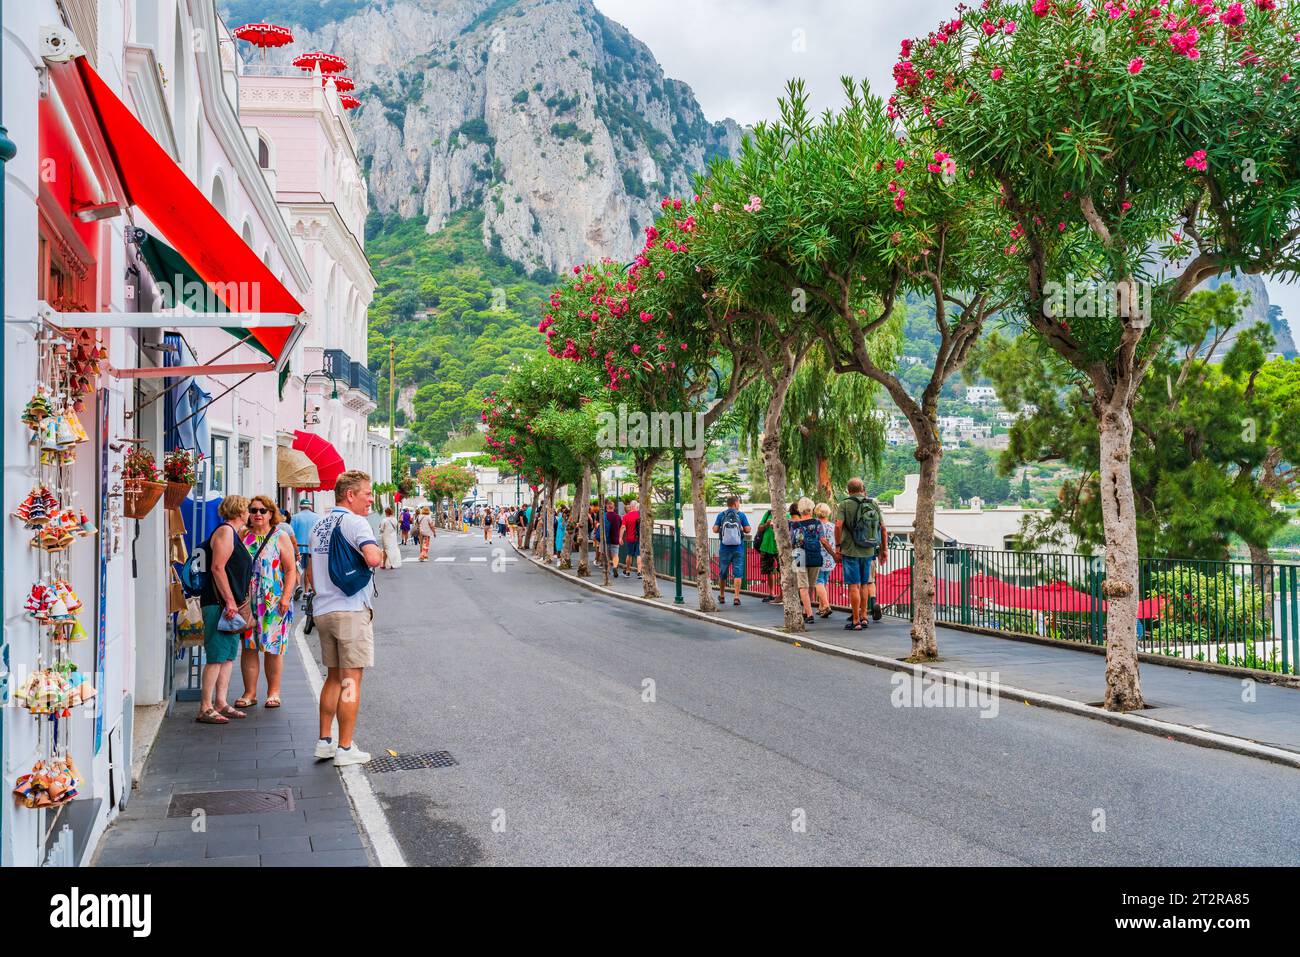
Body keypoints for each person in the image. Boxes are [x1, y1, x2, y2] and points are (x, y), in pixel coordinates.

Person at [305, 470, 382, 767]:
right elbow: (373, 559)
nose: (370, 499)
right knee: (351, 680)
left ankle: (324, 741)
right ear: (350, 495)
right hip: (349, 610)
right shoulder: (355, 522)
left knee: (334, 677)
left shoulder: (319, 526)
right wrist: (380, 552)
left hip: (323, 609)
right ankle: (346, 747)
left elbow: (310, 572)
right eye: (367, 493)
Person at [234, 496, 298, 709]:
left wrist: (287, 597)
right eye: (253, 511)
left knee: (272, 648)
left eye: (262, 510)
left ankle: (273, 693)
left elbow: (290, 570)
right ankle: (249, 692)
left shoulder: (280, 536)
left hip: (274, 600)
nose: (258, 514)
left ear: (271, 513)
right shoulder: (243, 535)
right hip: (247, 600)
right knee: (249, 647)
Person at [196, 496, 252, 725]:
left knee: (228, 656)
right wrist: (229, 601)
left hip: (230, 606)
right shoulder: (225, 532)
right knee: (216, 656)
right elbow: (217, 568)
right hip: (219, 604)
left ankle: (220, 702)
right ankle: (205, 706)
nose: (250, 513)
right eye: (248, 509)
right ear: (240, 511)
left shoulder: (233, 534)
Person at [834, 477, 888, 632]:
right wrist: (884, 550)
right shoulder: (873, 503)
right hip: (869, 550)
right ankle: (864, 617)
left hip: (850, 550)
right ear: (862, 488)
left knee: (853, 585)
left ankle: (856, 620)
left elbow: (838, 526)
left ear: (848, 490)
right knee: (865, 584)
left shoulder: (844, 504)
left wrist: (838, 546)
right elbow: (883, 529)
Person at [790, 497, 835, 625]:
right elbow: (823, 541)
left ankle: (809, 614)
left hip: (799, 554)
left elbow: (791, 542)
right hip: (815, 555)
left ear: (800, 509)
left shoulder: (794, 524)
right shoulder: (817, 523)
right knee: (810, 585)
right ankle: (806, 610)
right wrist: (834, 555)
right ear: (811, 508)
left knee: (802, 586)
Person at [713, 495, 751, 606]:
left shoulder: (721, 515)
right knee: (737, 573)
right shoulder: (741, 515)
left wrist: (722, 528)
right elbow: (748, 530)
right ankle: (736, 597)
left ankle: (722, 595)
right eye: (738, 503)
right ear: (735, 503)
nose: (739, 505)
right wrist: (740, 528)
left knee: (723, 573)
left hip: (724, 548)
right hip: (738, 549)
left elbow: (715, 529)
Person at [814, 502, 837, 618]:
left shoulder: (816, 526)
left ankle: (826, 606)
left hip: (819, 557)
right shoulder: (832, 526)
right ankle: (821, 606)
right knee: (824, 581)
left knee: (818, 582)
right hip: (830, 557)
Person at [755, 507, 781, 603]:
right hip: (766, 546)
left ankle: (782, 594)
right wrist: (766, 524)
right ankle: (771, 593)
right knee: (769, 571)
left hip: (779, 547)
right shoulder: (768, 514)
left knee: (782, 571)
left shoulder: (785, 515)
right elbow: (759, 528)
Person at [290, 497, 320, 575]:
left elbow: (291, 533)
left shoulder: (295, 517)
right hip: (312, 548)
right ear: (309, 507)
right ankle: (307, 587)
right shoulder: (317, 517)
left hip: (298, 548)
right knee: (309, 571)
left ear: (300, 507)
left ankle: (299, 586)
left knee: (298, 569)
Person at [620, 501, 641, 578]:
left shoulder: (626, 516)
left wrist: (620, 538)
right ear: (636, 506)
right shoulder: (640, 515)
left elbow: (622, 527)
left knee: (629, 555)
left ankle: (628, 571)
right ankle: (639, 572)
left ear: (631, 506)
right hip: (639, 538)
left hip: (629, 538)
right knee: (639, 555)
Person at [604, 500, 622, 577]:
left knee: (606, 556)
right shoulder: (617, 517)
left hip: (606, 539)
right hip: (615, 538)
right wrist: (620, 537)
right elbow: (620, 527)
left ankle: (607, 570)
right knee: (615, 555)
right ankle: (615, 566)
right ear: (613, 507)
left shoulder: (604, 516)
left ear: (606, 507)